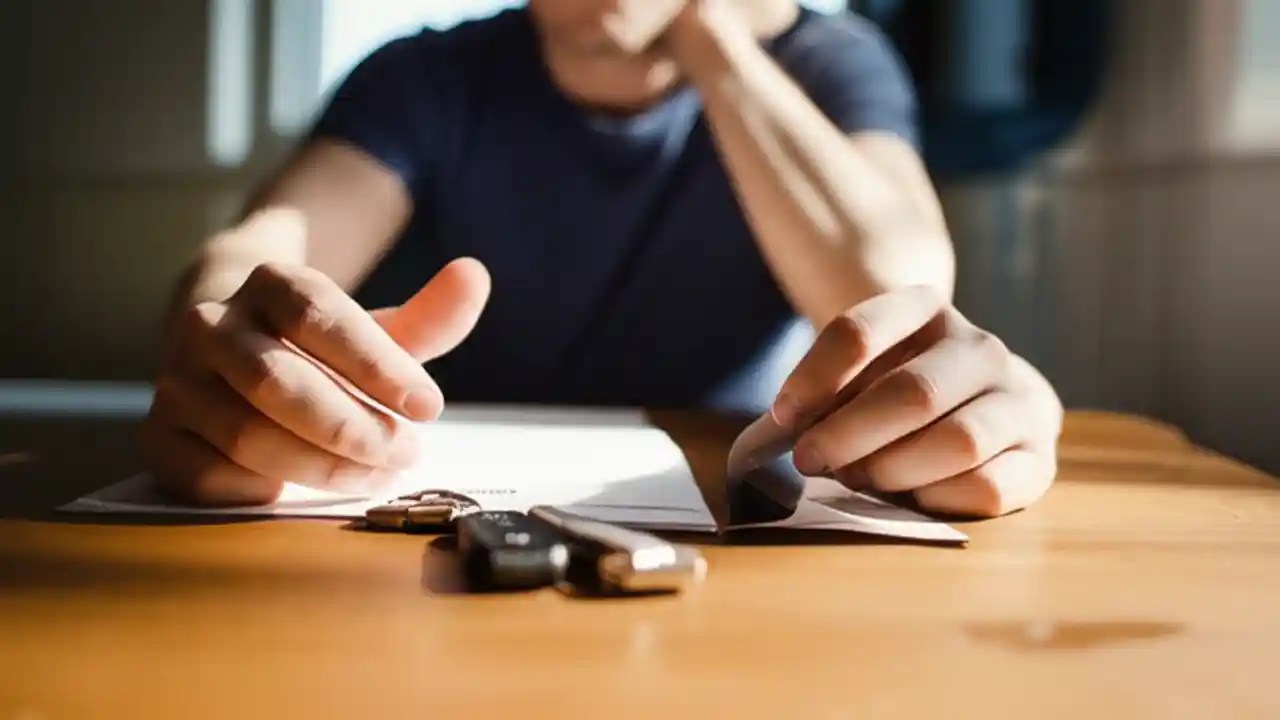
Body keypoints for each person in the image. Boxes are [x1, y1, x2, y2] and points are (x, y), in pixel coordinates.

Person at [141, 0, 1063, 517]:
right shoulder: (425, 75)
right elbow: (267, 246)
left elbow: (893, 299)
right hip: (433, 511)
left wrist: (707, 31)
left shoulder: (830, 62)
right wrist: (228, 330)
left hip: (721, 524)